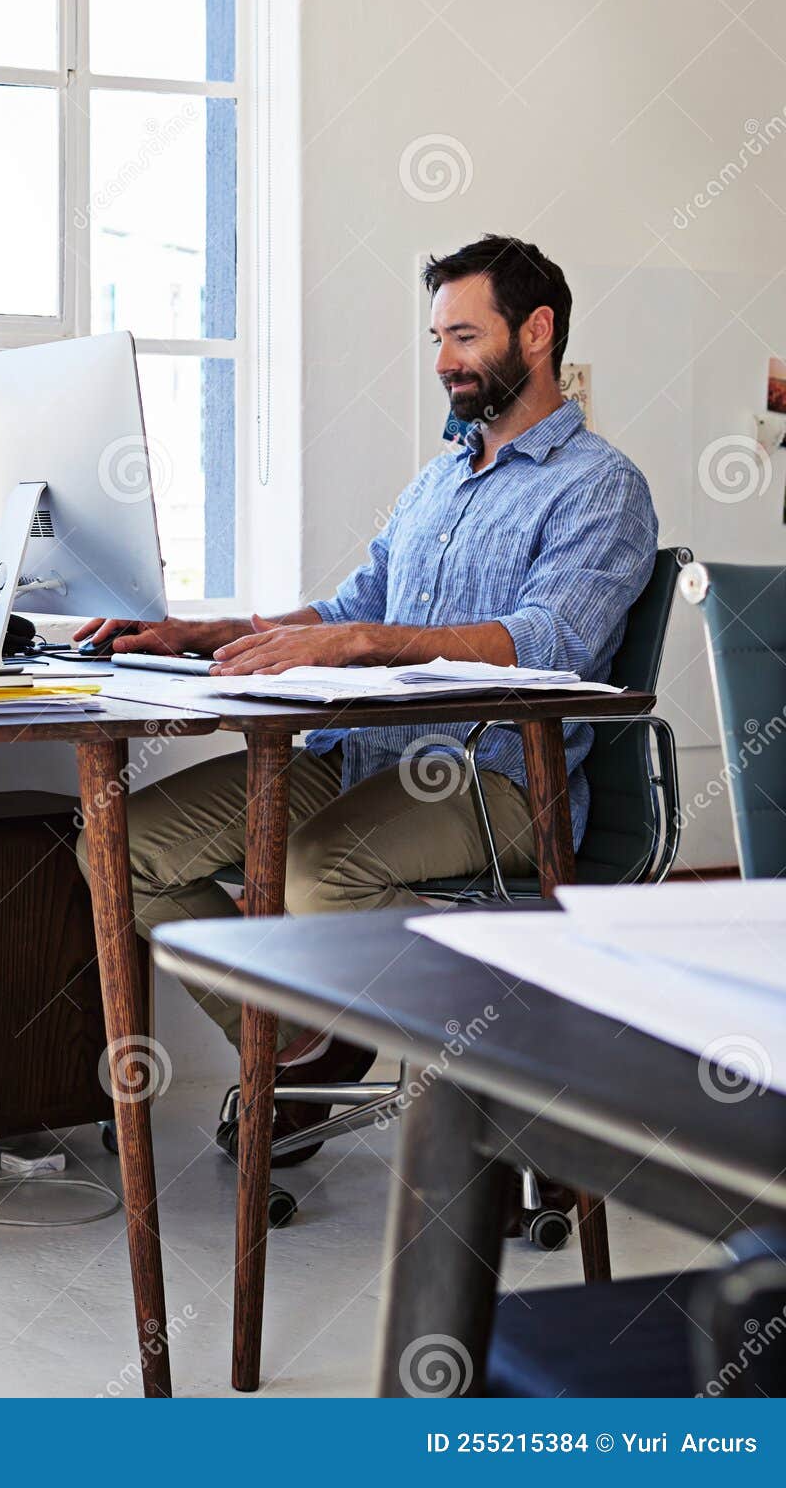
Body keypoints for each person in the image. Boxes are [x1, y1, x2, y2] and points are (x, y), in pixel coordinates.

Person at [75, 235, 658, 1162]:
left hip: (495, 780)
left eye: (464, 336)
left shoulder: (601, 486)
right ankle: (300, 1041)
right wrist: (204, 633)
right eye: (437, 339)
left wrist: (362, 641)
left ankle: (502, 1087)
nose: (443, 362)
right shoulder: (441, 479)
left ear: (537, 332)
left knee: (317, 869)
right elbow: (353, 610)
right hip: (361, 760)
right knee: (122, 845)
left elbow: (554, 641)